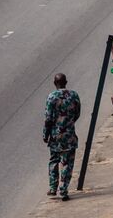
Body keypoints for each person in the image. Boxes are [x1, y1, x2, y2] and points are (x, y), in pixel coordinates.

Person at [43, 73, 81, 201]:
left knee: (54, 160)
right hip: (69, 135)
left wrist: (45, 134)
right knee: (67, 163)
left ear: (55, 83)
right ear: (66, 82)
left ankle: (53, 188)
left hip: (55, 136)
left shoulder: (51, 97)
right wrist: (69, 122)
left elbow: (48, 118)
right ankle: (63, 191)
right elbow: (77, 113)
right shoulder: (74, 95)